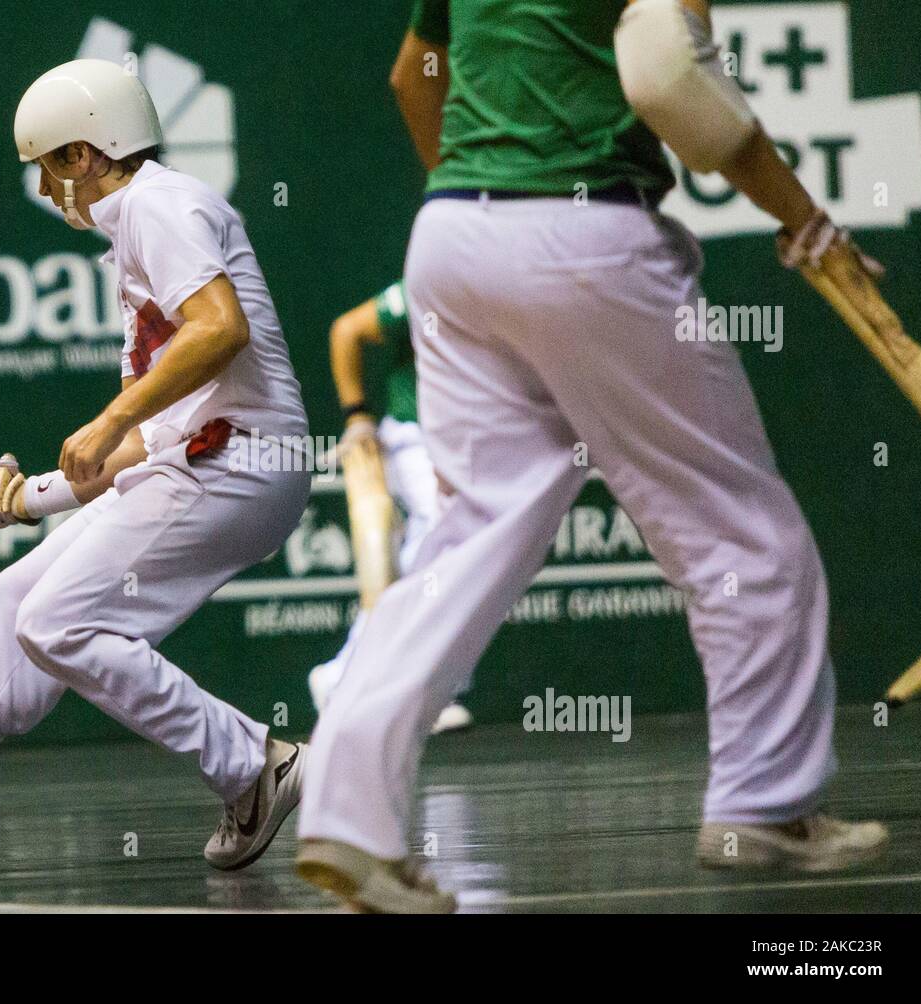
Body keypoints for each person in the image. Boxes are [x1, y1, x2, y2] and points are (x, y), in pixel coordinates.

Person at [295, 0, 887, 913]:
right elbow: (669, 77)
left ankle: (348, 818)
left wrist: (484, 199)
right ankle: (762, 806)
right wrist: (804, 216)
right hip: (587, 240)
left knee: (461, 543)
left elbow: (411, 72)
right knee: (742, 536)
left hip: (452, 236)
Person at [0, 59, 312, 887]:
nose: (42, 189)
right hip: (201, 457)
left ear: (81, 155)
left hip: (242, 462)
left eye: (45, 166)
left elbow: (223, 330)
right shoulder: (134, 237)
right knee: (11, 604)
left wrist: (113, 417)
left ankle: (254, 762)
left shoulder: (161, 206)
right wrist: (27, 498)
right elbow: (145, 439)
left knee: (58, 622)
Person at [309, 281, 472, 734]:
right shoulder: (423, 290)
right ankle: (411, 687)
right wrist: (357, 415)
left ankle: (347, 678)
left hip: (467, 442)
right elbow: (347, 330)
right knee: (445, 532)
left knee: (437, 558)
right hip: (414, 438)